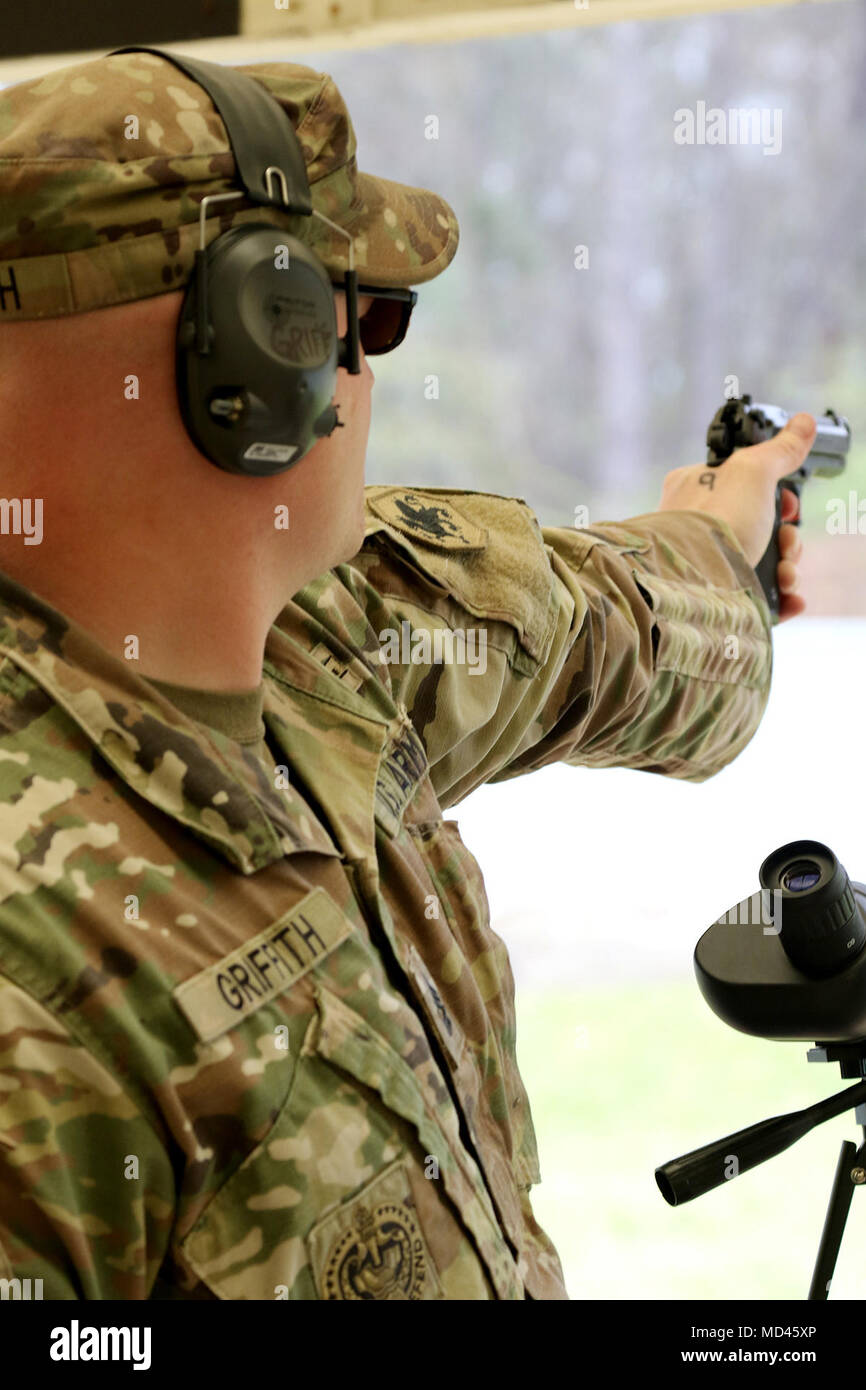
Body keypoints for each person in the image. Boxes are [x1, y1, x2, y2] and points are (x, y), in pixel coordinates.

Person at [0, 47, 811, 1302]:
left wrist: (726, 528)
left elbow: (632, 628)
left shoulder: (332, 628)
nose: (364, 367)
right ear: (256, 358)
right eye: (365, 313)